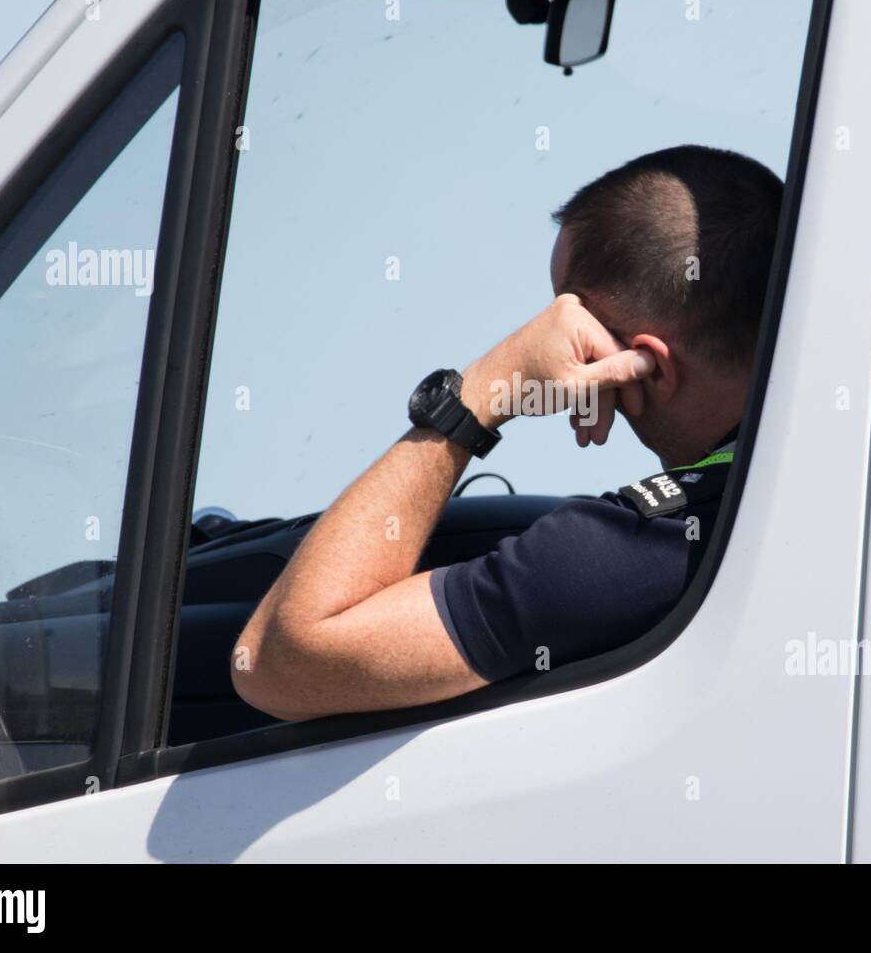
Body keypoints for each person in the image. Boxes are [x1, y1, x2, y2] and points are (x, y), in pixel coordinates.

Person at [232, 144, 784, 720]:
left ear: (649, 365)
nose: (553, 338)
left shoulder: (641, 548)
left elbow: (277, 659)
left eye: (569, 320)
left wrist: (486, 388)